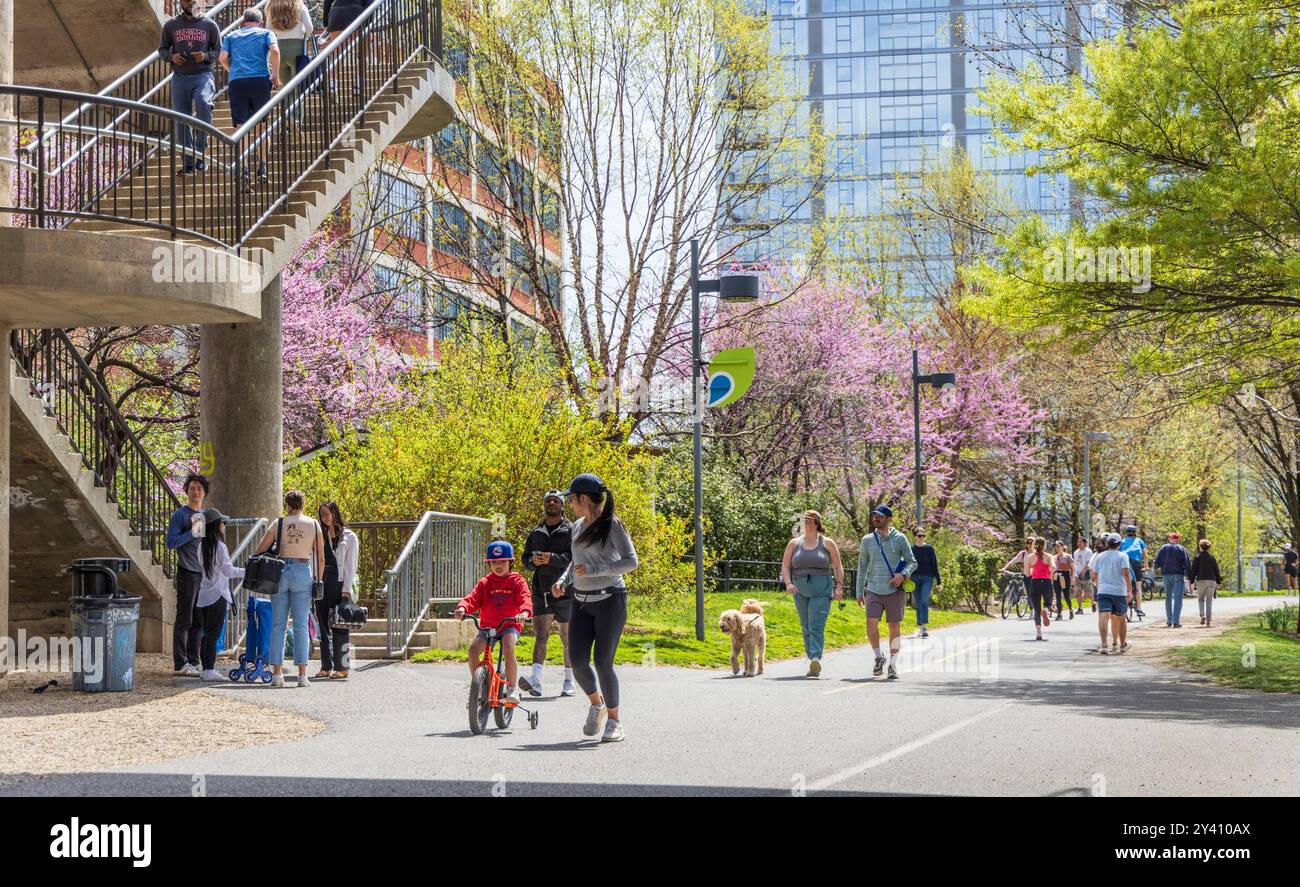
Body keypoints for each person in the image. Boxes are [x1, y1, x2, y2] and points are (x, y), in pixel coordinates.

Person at [551, 473, 639, 743]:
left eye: (572, 498)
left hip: (611, 599)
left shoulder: (612, 525)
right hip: (581, 600)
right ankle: (596, 704)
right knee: (577, 661)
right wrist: (564, 581)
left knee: (602, 662)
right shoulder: (577, 526)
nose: (570, 504)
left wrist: (595, 569)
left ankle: (615, 721)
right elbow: (575, 563)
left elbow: (631, 561)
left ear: (584, 498)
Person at [255, 490, 325, 687]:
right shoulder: (313, 524)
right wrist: (318, 579)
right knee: (301, 624)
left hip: (280, 571)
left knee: (279, 624)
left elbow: (260, 549)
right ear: (303, 505)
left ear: (287, 505)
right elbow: (320, 556)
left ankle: (277, 674)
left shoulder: (278, 523)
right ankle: (302, 675)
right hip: (303, 570)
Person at [455, 540, 532, 706]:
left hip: (510, 624)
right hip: (488, 626)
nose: (498, 565)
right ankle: (480, 687)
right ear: (489, 563)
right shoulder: (485, 582)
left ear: (510, 562)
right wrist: (462, 608)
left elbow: (525, 598)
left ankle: (512, 689)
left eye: (503, 561)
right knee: (474, 650)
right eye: (494, 562)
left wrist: (524, 612)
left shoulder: (517, 581)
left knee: (508, 645)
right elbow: (472, 599)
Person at [520, 491, 574, 697]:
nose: (551, 503)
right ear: (544, 505)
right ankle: (536, 681)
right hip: (541, 590)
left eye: (556, 501)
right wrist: (533, 562)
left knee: (567, 637)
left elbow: (573, 558)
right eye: (548, 501)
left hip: (565, 590)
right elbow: (525, 559)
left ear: (562, 505)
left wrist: (551, 558)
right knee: (540, 636)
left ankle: (569, 681)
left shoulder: (570, 529)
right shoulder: (535, 532)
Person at [158, 0, 221, 175]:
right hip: (180, 77)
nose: (191, 3)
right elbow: (162, 49)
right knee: (181, 118)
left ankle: (200, 155)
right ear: (181, 3)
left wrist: (206, 56)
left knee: (203, 103)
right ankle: (188, 162)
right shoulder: (172, 25)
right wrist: (172, 57)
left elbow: (218, 51)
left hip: (203, 75)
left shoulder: (209, 24)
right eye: (187, 1)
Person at [854, 505, 916, 680]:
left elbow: (912, 562)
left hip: (894, 591)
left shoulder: (900, 538)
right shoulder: (867, 540)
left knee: (894, 627)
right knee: (871, 624)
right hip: (873, 589)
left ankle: (893, 665)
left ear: (888, 519)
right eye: (874, 516)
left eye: (880, 516)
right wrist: (859, 592)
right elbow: (862, 567)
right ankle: (879, 657)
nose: (876, 519)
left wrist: (902, 575)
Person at [779, 510, 845, 677]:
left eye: (811, 521)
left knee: (816, 624)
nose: (807, 524)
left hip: (822, 590)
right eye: (805, 521)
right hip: (799, 590)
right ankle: (812, 659)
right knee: (805, 625)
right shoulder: (794, 543)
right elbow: (786, 566)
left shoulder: (827, 543)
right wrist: (788, 583)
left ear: (817, 524)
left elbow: (838, 567)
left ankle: (815, 656)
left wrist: (838, 587)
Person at [219, 8, 281, 186]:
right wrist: (275, 75)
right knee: (262, 127)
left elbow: (223, 57)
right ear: (260, 22)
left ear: (243, 22)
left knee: (242, 128)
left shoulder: (231, 36)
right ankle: (262, 167)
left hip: (238, 83)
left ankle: (244, 168)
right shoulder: (266, 33)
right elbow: (275, 51)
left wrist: (233, 71)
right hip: (260, 81)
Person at [165, 473, 209, 676]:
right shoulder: (180, 515)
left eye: (199, 489)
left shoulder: (204, 516)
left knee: (199, 620)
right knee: (185, 618)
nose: (195, 492)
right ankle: (180, 663)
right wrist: (191, 532)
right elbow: (171, 542)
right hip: (187, 573)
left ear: (204, 493)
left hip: (203, 575)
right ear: (186, 490)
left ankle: (194, 660)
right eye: (192, 488)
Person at [194, 508, 243, 682]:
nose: (224, 525)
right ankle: (209, 670)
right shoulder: (220, 547)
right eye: (222, 522)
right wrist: (248, 571)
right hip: (218, 596)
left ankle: (205, 667)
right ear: (217, 526)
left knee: (206, 634)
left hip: (204, 595)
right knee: (213, 635)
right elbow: (229, 571)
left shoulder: (201, 546)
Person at [315, 501, 359, 680]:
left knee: (340, 625)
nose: (324, 517)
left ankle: (342, 667)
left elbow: (351, 565)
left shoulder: (349, 536)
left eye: (327, 513)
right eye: (321, 514)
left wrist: (346, 590)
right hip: (321, 584)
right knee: (323, 625)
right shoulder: (319, 534)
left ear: (334, 513)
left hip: (339, 584)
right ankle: (326, 666)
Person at [1091, 532, 1133, 654]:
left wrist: (1099, 588)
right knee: (1121, 618)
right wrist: (1129, 590)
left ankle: (1104, 645)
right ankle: (1123, 644)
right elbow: (1126, 573)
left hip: (1103, 591)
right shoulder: (1123, 556)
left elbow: (1094, 574)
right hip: (1119, 591)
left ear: (1108, 543)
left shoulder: (1100, 556)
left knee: (1104, 617)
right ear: (1119, 544)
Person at [268, 0, 314, 93]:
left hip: (280, 49)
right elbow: (309, 28)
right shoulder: (301, 7)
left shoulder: (272, 8)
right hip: (297, 48)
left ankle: (287, 107)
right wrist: (305, 38)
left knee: (286, 89)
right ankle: (297, 107)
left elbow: (269, 31)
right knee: (298, 89)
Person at [1153, 531, 1192, 628]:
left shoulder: (1163, 548)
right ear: (1178, 539)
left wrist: (1157, 567)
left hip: (1166, 574)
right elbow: (1187, 563)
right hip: (1178, 574)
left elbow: (1157, 563)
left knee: (1168, 598)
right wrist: (1190, 576)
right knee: (1178, 598)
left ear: (1170, 539)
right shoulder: (1181, 548)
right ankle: (1176, 621)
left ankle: (1169, 620)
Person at [909, 528, 941, 639]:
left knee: (924, 600)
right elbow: (906, 563)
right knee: (918, 602)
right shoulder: (911, 549)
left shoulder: (929, 549)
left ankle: (923, 626)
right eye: (919, 535)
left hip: (927, 578)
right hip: (914, 579)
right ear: (915, 536)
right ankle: (921, 626)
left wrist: (939, 582)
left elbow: (934, 565)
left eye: (923, 535)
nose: (921, 537)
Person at [1026, 537, 1054, 641]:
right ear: (1045, 546)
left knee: (1036, 610)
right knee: (1048, 603)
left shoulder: (1030, 557)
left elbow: (1027, 573)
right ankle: (1046, 611)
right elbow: (1054, 567)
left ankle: (1039, 633)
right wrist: (1050, 574)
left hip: (1035, 583)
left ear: (1034, 545)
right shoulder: (1049, 556)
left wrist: (1032, 572)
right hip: (1046, 582)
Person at [1191, 539, 1223, 626]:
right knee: (1209, 601)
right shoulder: (1212, 558)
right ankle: (1208, 620)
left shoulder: (1197, 557)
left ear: (1200, 547)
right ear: (1209, 547)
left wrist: (1191, 580)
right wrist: (1219, 581)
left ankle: (1202, 615)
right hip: (1211, 581)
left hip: (1201, 580)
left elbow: (1193, 570)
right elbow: (1216, 570)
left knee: (1201, 599)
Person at [1119, 525, 1148, 617]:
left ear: (1126, 532)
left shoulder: (1122, 541)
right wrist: (1146, 567)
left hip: (1124, 562)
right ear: (1135, 532)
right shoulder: (1139, 541)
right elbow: (1145, 556)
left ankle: (1123, 606)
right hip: (1135, 563)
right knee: (1138, 586)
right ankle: (1139, 608)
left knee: (1124, 583)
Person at [1052, 540, 1075, 620]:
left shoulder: (1067, 556)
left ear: (1062, 547)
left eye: (1058, 546)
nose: (1057, 548)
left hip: (1065, 576)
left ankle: (1070, 610)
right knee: (1057, 595)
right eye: (1056, 547)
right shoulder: (1054, 557)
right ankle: (1059, 614)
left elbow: (1073, 567)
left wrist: (1073, 577)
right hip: (1056, 576)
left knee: (1066, 595)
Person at [1073, 536, 1093, 614]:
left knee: (1088, 592)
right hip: (1077, 574)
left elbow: (1088, 563)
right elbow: (1075, 563)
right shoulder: (1076, 552)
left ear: (1085, 543)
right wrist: (1075, 573)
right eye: (1078, 542)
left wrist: (1083, 572)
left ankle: (1093, 603)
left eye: (1080, 542)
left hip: (1086, 573)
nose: (1079, 543)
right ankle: (1080, 608)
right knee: (1078, 592)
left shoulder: (1088, 551)